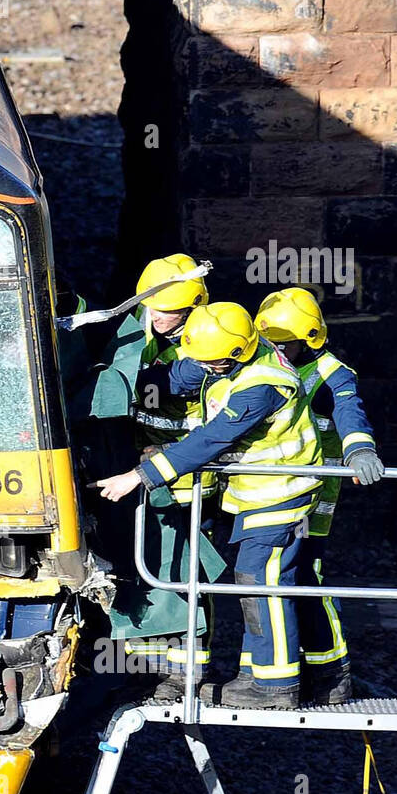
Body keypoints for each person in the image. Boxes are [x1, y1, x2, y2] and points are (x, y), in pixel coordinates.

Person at [96, 302, 322, 709]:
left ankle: (275, 688)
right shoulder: (223, 354)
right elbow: (181, 374)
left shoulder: (262, 386)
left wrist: (139, 476)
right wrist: (119, 383)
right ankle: (255, 678)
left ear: (236, 353)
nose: (207, 369)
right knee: (253, 580)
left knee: (261, 582)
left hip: (280, 493)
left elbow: (212, 440)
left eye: (213, 363)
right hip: (257, 496)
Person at [254, 288, 383, 704]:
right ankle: (291, 671)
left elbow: (349, 411)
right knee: (274, 578)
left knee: (306, 574)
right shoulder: (266, 360)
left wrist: (359, 448)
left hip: (311, 495)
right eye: (270, 339)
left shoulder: (331, 372)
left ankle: (331, 672)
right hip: (266, 490)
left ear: (309, 338)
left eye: (283, 341)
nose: (275, 347)